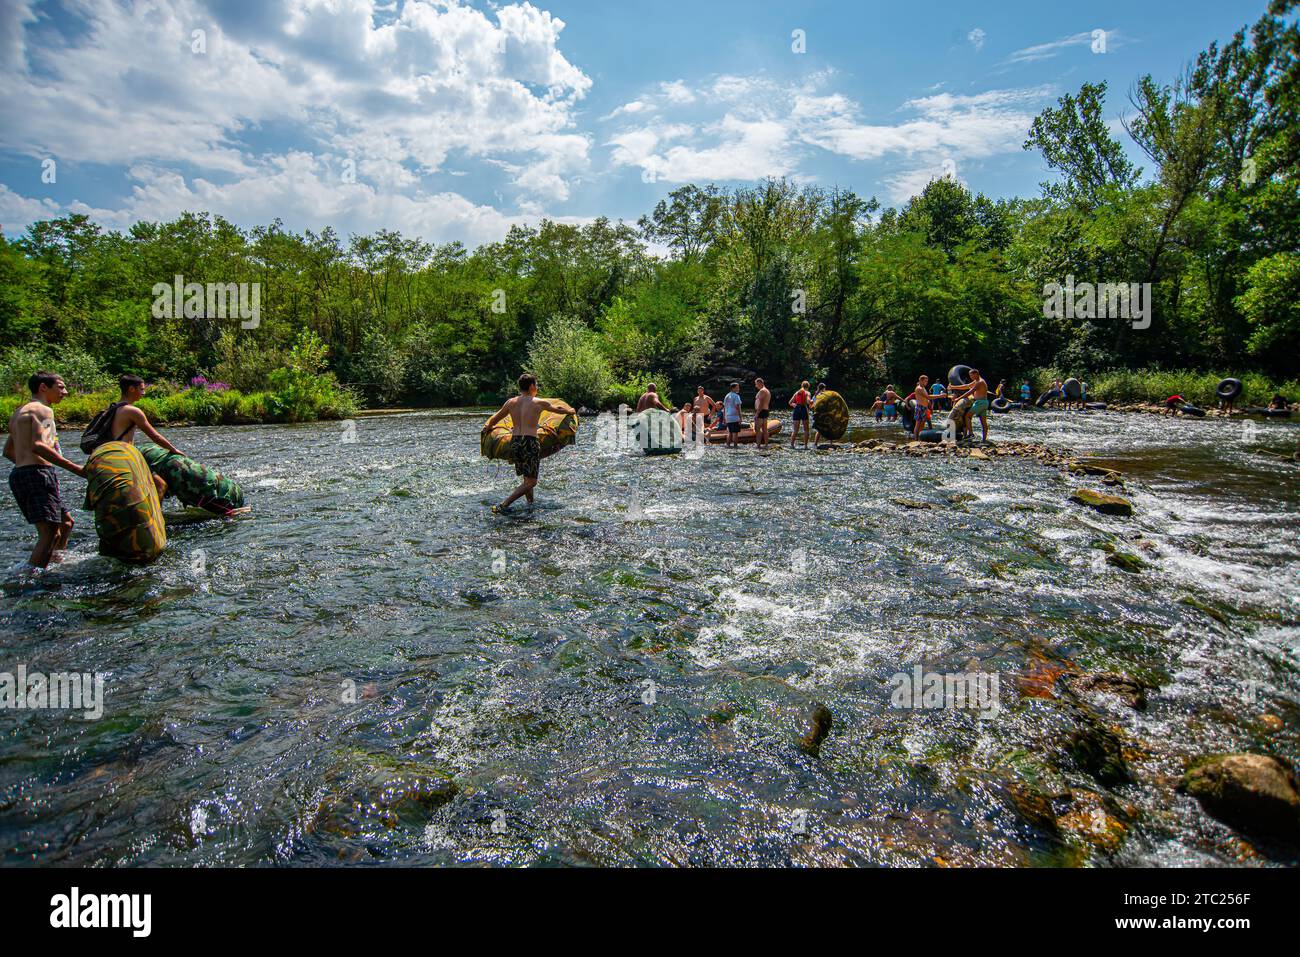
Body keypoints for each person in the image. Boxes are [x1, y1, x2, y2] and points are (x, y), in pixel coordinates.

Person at [4, 372, 86, 571]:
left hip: (21, 474)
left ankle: (55, 562)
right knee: (50, 533)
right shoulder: (44, 411)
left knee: (66, 523)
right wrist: (76, 469)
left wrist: (26, 466)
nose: (65, 392)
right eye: (60, 387)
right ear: (43, 387)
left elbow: (8, 451)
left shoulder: (19, 412)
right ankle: (32, 581)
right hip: (38, 474)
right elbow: (40, 446)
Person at [483, 374, 574, 511]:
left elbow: (495, 418)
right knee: (532, 482)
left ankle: (530, 504)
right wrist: (570, 410)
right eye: (536, 385)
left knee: (527, 478)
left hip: (515, 442)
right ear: (532, 386)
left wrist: (488, 428)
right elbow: (558, 410)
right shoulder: (538, 402)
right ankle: (504, 504)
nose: (537, 388)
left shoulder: (511, 402)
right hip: (530, 442)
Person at [104, 375, 184, 455]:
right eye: (141, 389)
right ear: (131, 389)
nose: (144, 393)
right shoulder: (133, 411)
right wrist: (174, 450)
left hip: (107, 452)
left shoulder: (112, 408)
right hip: (122, 453)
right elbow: (155, 436)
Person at [950, 368, 991, 443]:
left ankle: (971, 434)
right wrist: (953, 387)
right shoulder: (977, 381)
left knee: (967, 416)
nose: (971, 377)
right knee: (983, 422)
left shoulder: (980, 382)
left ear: (976, 374)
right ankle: (984, 440)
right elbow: (967, 386)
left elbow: (970, 391)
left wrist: (958, 398)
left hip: (980, 402)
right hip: (984, 402)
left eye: (972, 375)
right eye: (970, 376)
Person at [789, 380, 812, 448]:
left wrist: (794, 405)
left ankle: (792, 445)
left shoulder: (797, 393)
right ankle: (805, 446)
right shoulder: (807, 392)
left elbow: (790, 402)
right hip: (803, 409)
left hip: (796, 410)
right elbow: (808, 401)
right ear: (808, 387)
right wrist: (811, 401)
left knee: (795, 429)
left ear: (801, 386)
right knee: (806, 429)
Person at [722, 382, 743, 448]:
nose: (739, 389)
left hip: (728, 417)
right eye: (737, 387)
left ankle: (728, 445)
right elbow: (738, 407)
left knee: (730, 432)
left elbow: (724, 408)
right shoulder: (736, 396)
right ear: (733, 388)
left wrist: (724, 418)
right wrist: (740, 417)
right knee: (735, 433)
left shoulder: (727, 396)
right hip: (735, 416)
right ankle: (735, 446)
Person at [753, 377, 772, 448]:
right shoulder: (767, 391)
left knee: (757, 429)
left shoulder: (762, 391)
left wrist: (757, 413)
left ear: (760, 383)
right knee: (764, 429)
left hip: (761, 411)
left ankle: (758, 445)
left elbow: (761, 403)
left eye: (756, 384)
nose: (756, 386)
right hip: (765, 410)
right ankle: (766, 444)